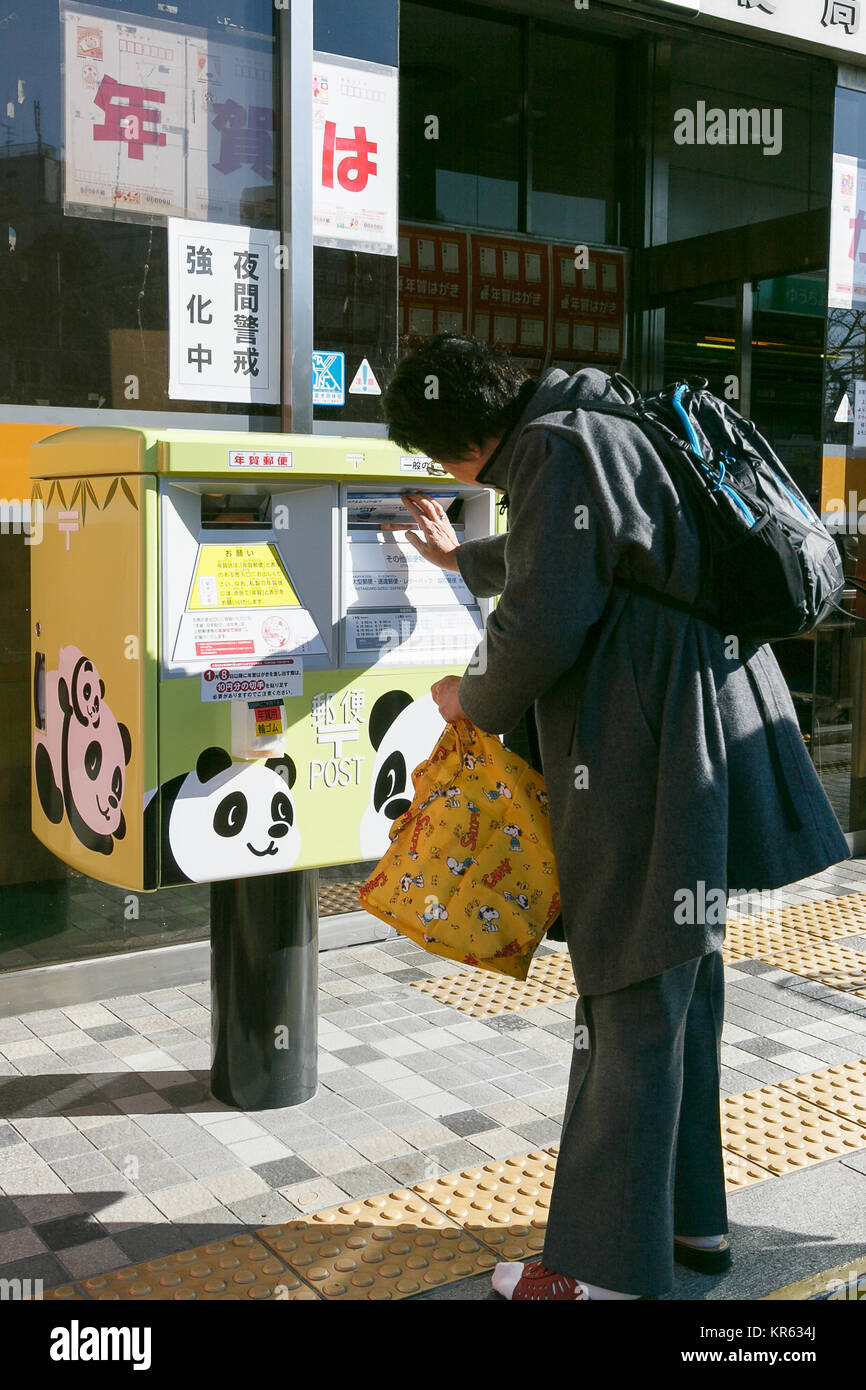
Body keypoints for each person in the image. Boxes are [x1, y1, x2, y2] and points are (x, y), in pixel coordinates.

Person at [381, 332, 850, 1302]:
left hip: (648, 740)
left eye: (435, 457)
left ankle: (602, 1272)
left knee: (627, 994)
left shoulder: (552, 449)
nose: (443, 473)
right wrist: (464, 557)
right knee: (677, 987)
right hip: (702, 717)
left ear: (457, 440)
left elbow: (549, 615)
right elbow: (592, 552)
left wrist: (472, 695)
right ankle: (689, 1229)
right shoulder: (598, 417)